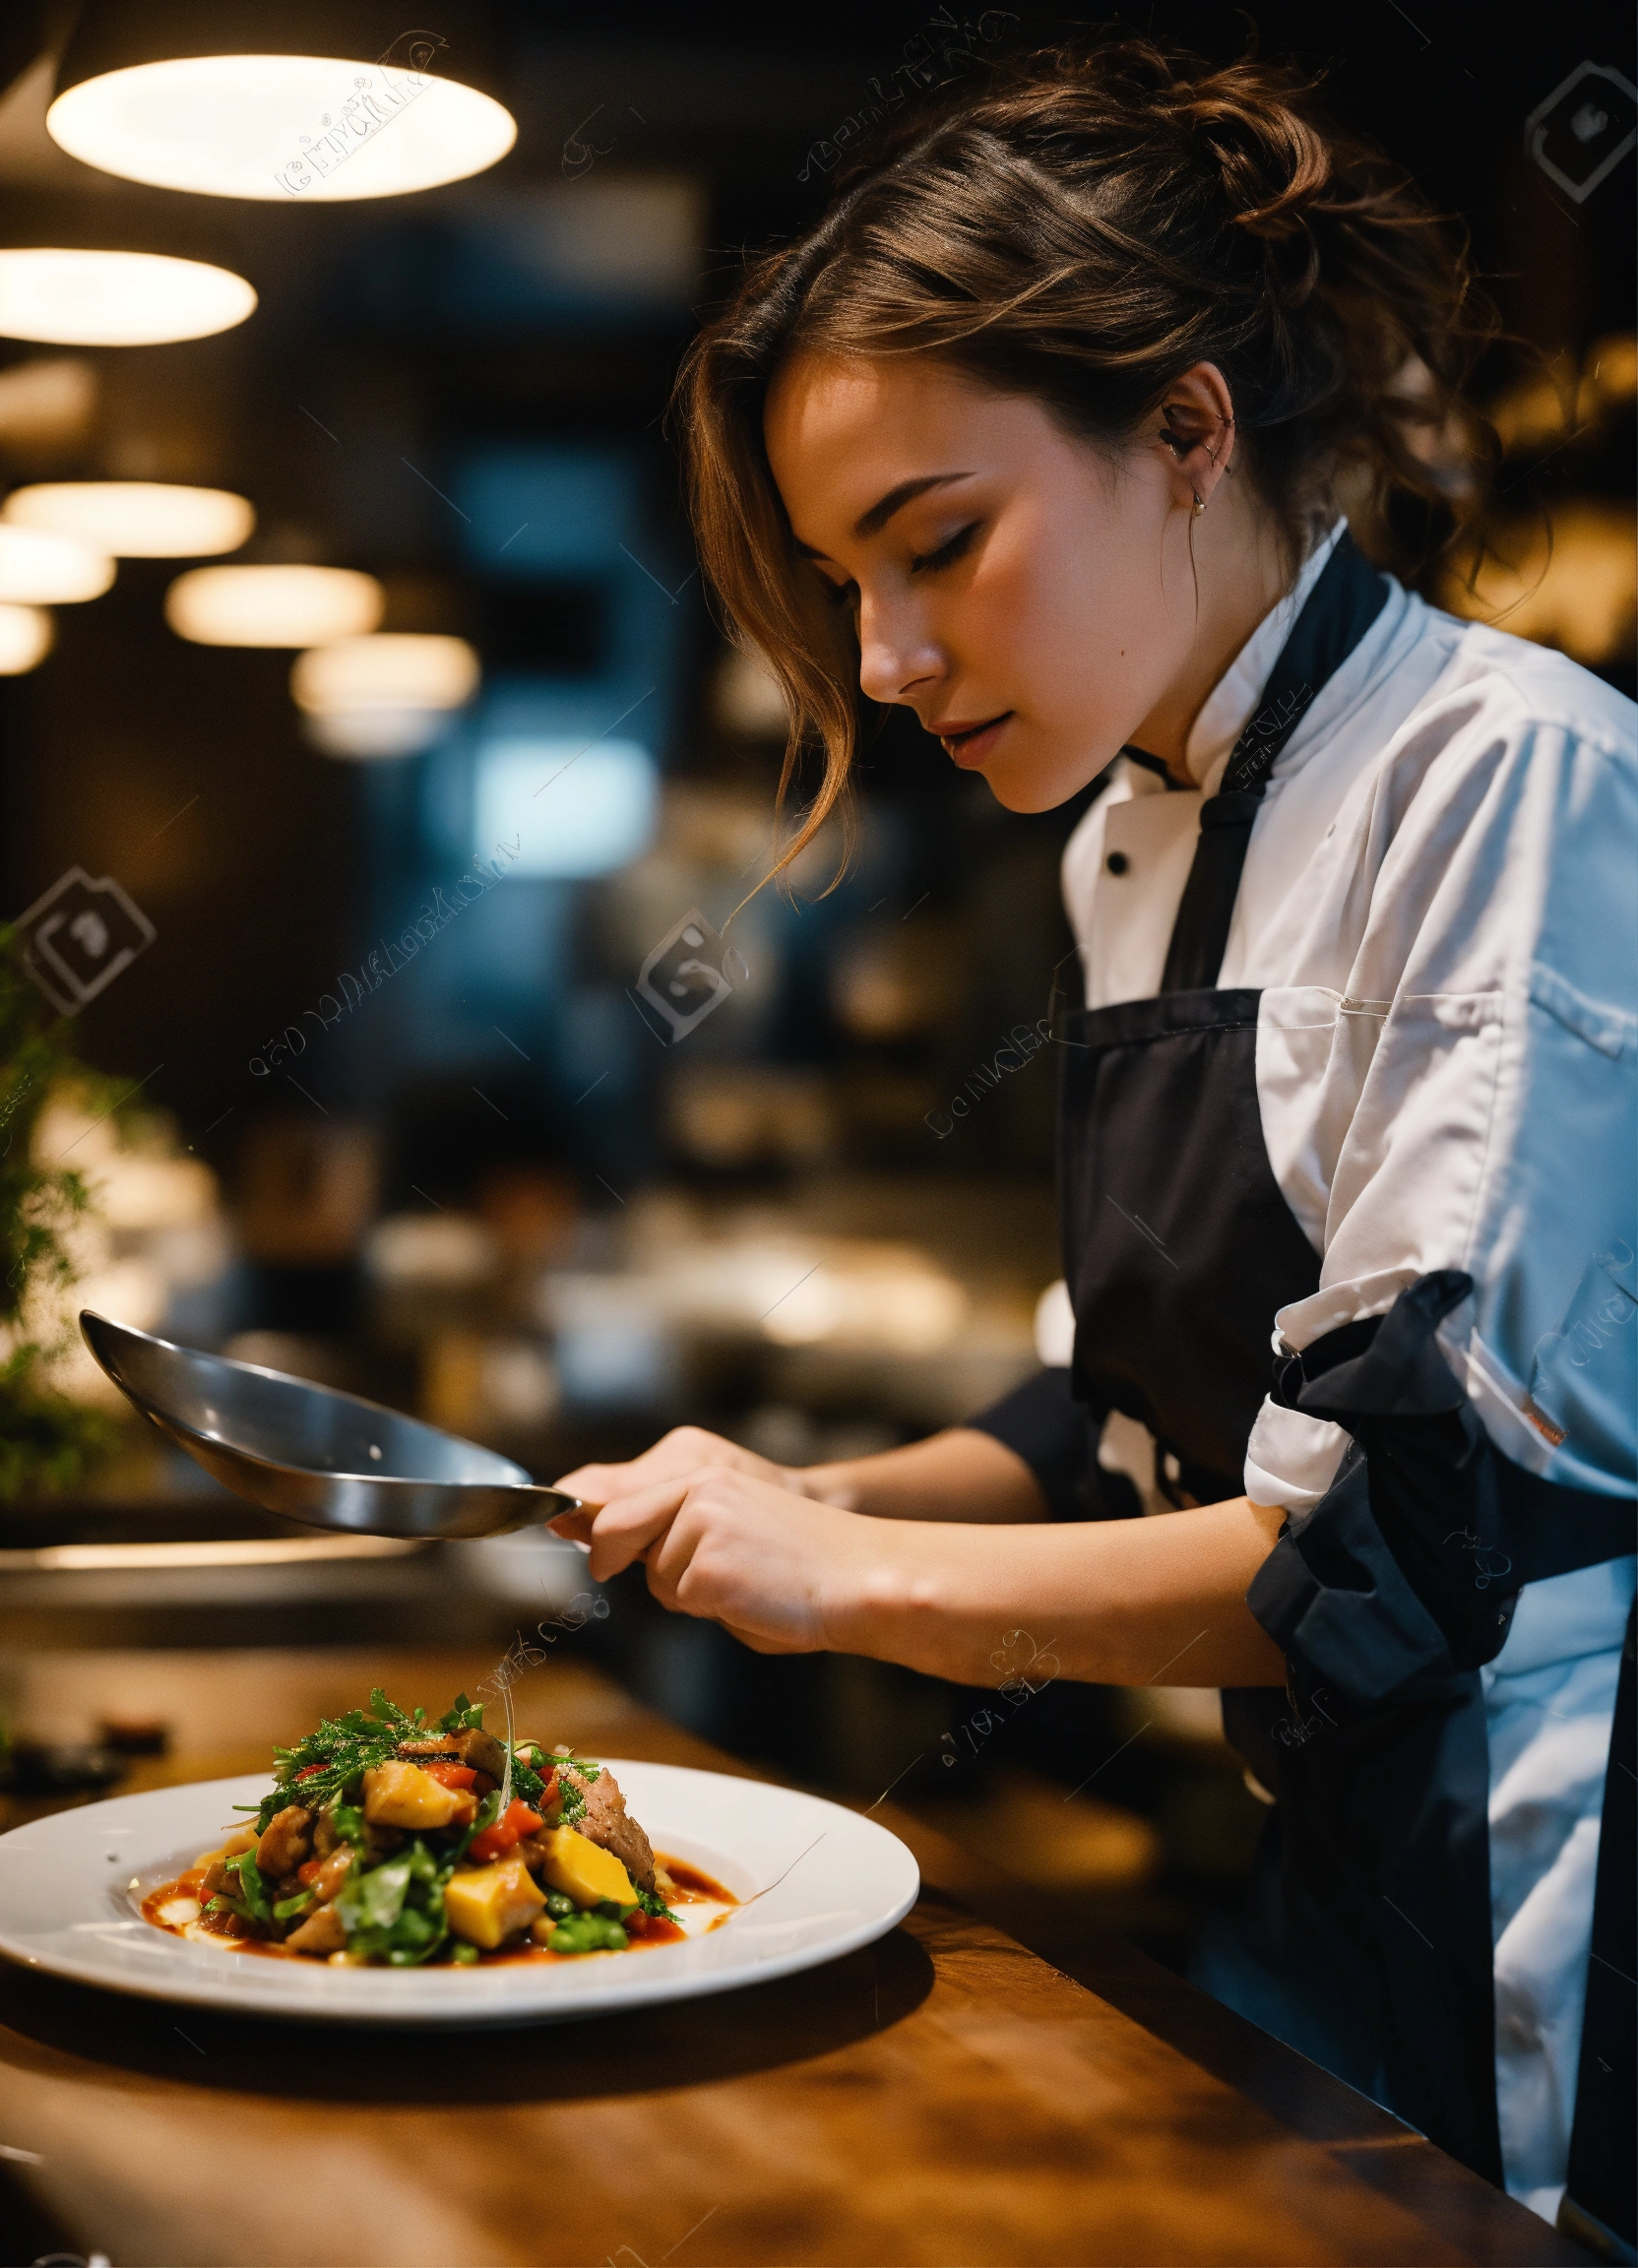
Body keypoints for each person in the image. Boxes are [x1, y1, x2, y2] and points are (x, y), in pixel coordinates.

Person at [552, 39, 1636, 2252]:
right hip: (1328, 1863)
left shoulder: (1504, 776)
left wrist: (841, 1580)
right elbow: (1108, 1422)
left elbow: (1389, 1553)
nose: (885, 657)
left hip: (1557, 1892)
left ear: (1184, 428)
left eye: (935, 544)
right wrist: (772, 1502)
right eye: (846, 580)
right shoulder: (1123, 836)